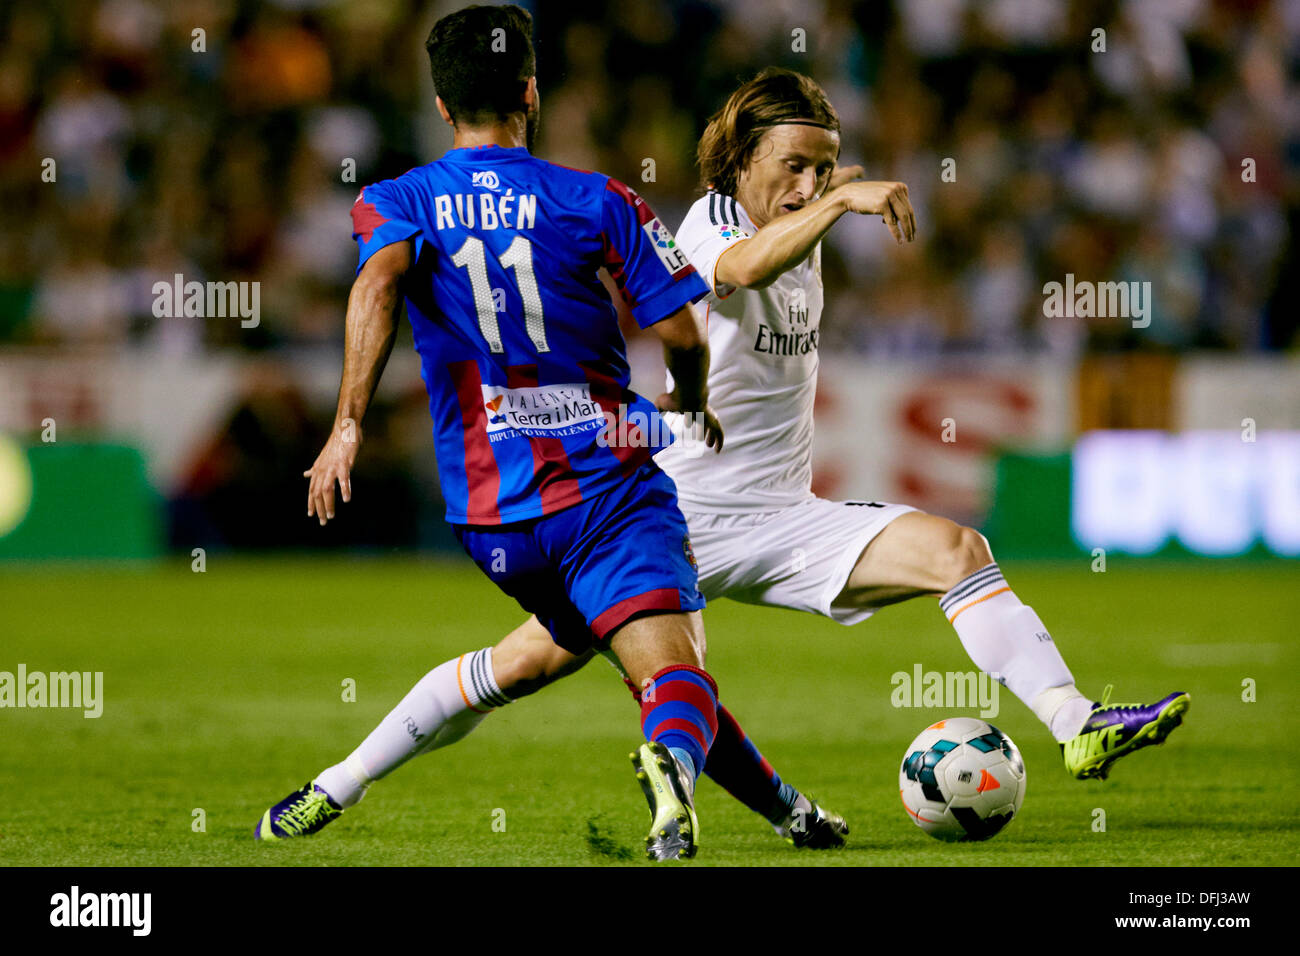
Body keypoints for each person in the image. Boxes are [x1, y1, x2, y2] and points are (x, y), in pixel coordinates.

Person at [255, 4, 732, 862]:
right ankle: (671, 777)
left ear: (441, 106)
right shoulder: (600, 198)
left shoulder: (396, 199)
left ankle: (336, 782)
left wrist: (348, 426)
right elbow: (687, 332)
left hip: (493, 518)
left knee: (528, 662)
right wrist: (689, 406)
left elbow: (376, 286)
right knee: (678, 674)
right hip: (604, 491)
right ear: (532, 91)